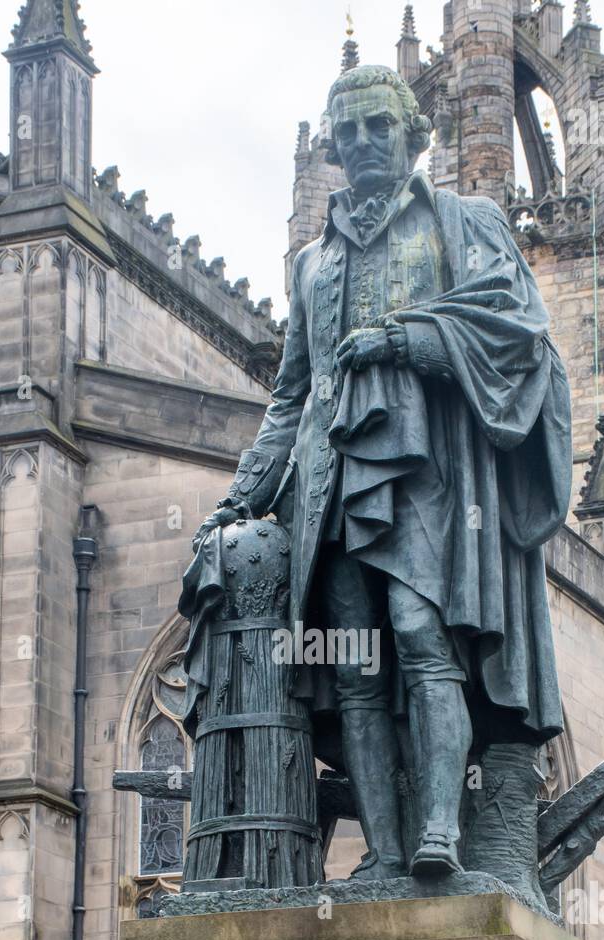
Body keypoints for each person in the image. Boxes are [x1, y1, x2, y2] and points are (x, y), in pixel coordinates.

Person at [189, 64, 572, 891]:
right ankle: (388, 854)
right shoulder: (311, 265)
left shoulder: (463, 224)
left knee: (421, 637)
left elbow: (517, 333)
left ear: (412, 134)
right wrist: (238, 501)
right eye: (348, 130)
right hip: (330, 485)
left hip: (431, 476)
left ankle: (441, 832)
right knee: (356, 669)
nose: (362, 143)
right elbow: (291, 398)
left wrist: (407, 342)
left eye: (378, 127)